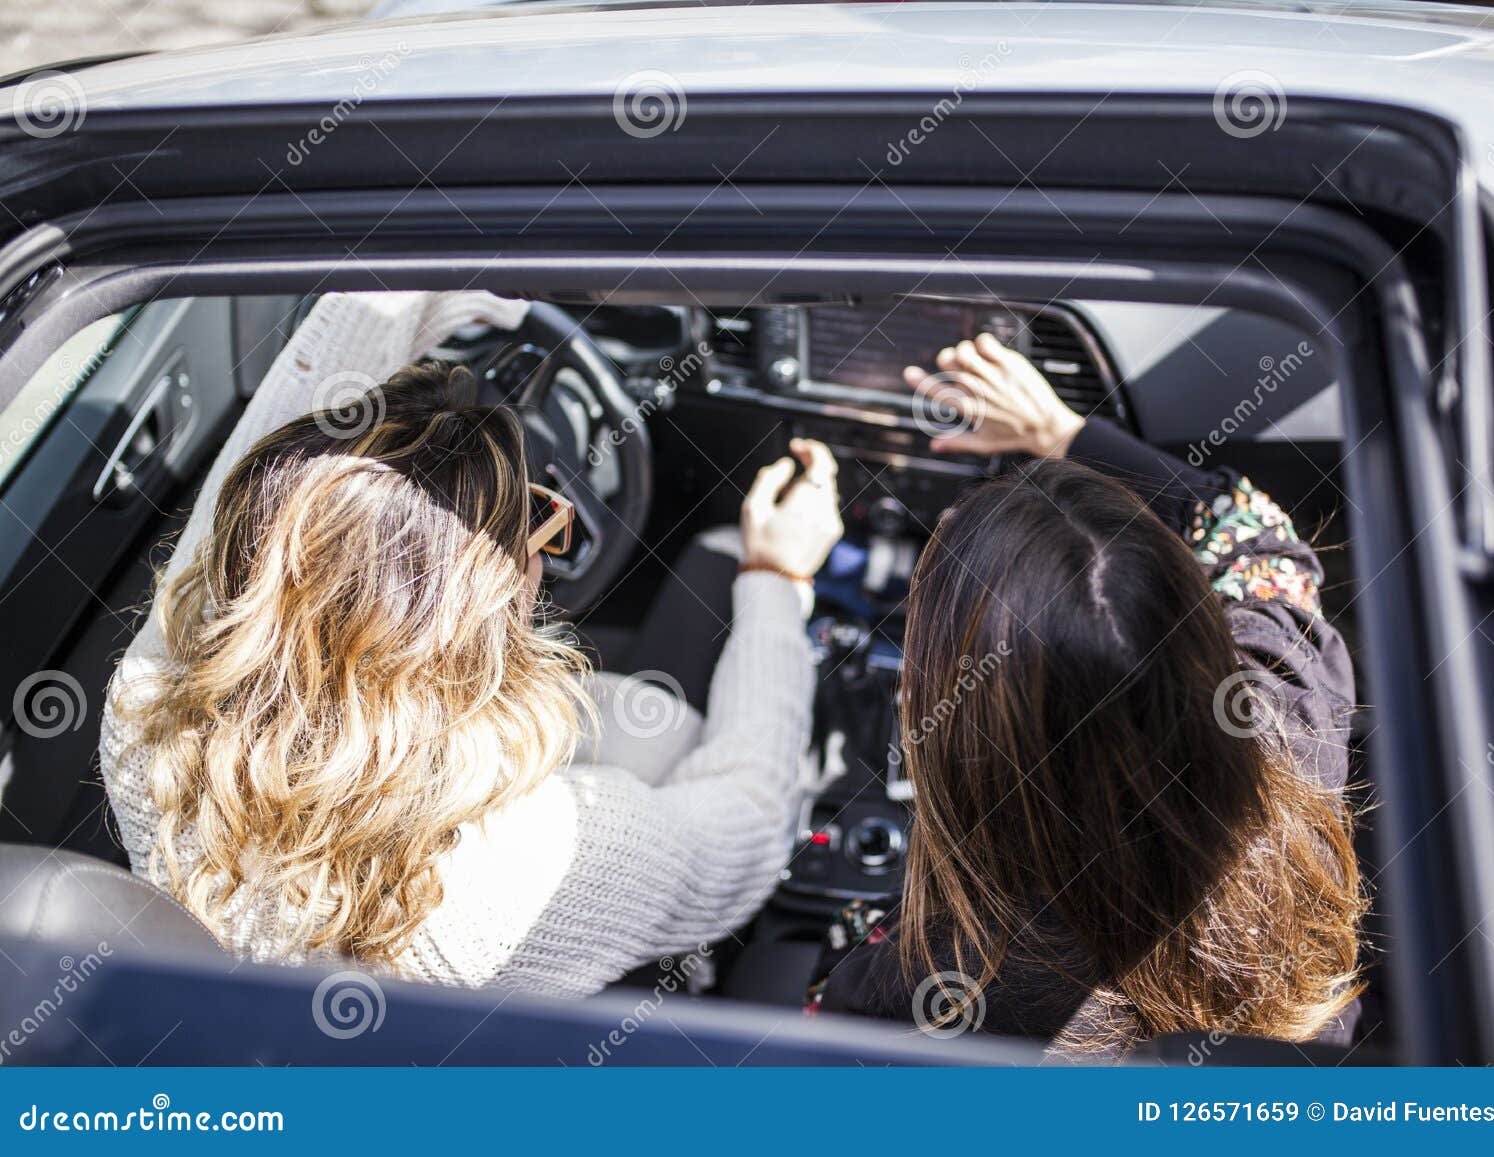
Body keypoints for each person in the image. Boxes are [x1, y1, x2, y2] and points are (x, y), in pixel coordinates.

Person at [99, 290, 843, 994]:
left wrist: (483, 284)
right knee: (715, 561)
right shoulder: (527, 863)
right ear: (487, 609)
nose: (542, 549)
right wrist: (776, 574)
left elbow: (270, 471)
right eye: (535, 521)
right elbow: (745, 826)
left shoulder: (145, 722)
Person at [805, 334, 1364, 1055]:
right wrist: (1060, 431)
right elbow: (1257, 539)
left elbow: (814, 1027)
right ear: (1200, 644)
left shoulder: (919, 988)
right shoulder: (1284, 720)